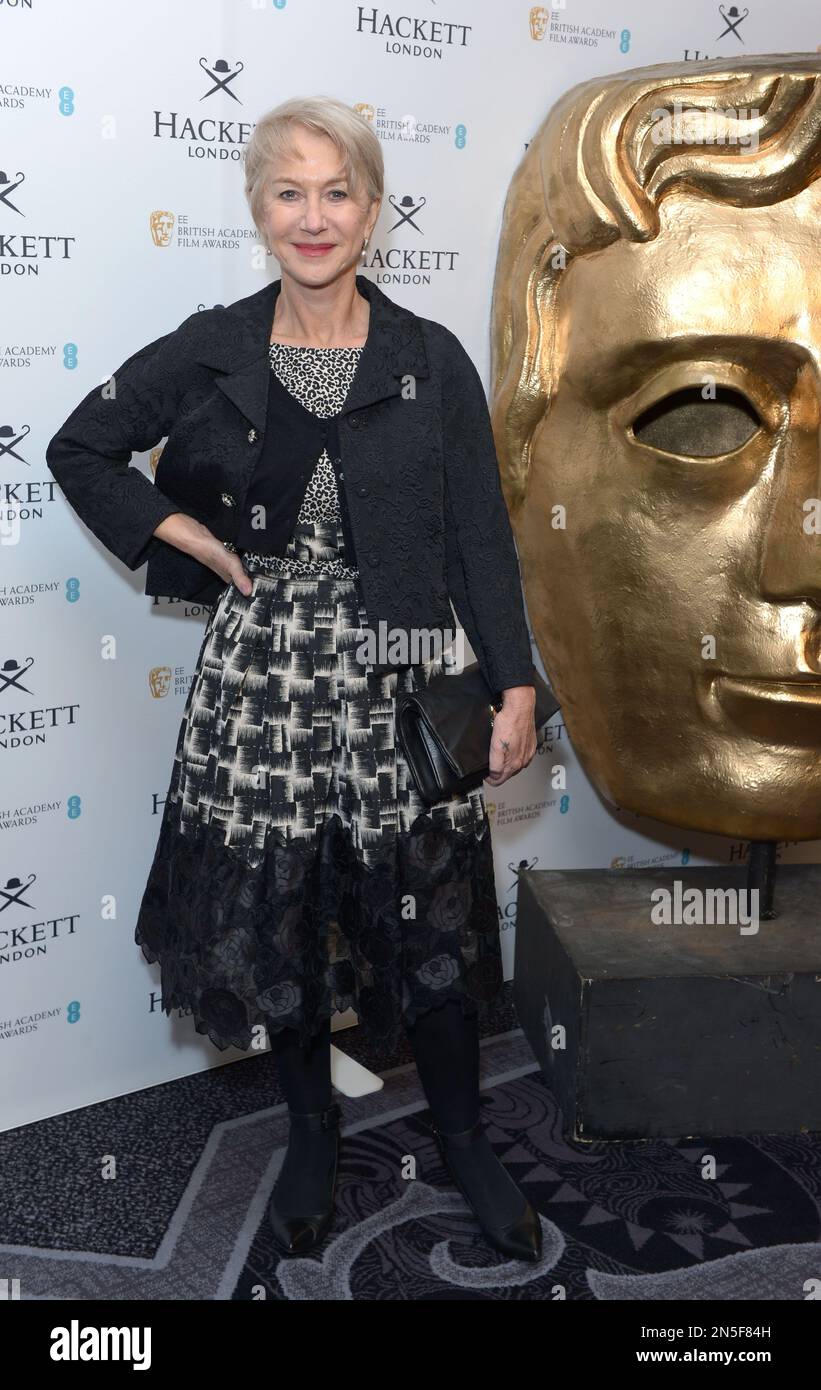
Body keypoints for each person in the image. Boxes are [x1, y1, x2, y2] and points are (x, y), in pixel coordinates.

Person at [46, 95, 541, 1264]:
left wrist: (515, 685)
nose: (312, 217)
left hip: (398, 674)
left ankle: (465, 1142)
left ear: (371, 210)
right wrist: (185, 532)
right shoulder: (214, 343)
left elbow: (479, 532)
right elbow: (81, 445)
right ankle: (312, 1136)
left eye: (336, 192)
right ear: (258, 207)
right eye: (288, 191)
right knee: (284, 928)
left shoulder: (427, 358)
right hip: (257, 687)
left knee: (423, 923)